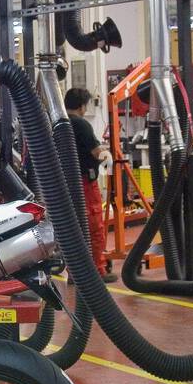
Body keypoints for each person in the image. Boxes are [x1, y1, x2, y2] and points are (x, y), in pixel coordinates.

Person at [65, 87, 115, 281]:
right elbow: (97, 153)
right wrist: (109, 157)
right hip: (85, 184)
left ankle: (74, 273)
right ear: (82, 106)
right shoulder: (81, 124)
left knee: (73, 230)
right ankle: (96, 272)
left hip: (65, 185)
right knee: (93, 228)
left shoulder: (57, 123)